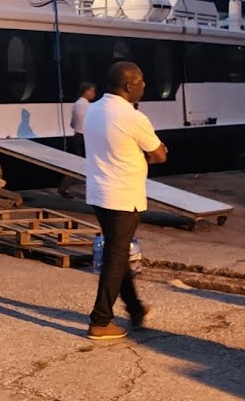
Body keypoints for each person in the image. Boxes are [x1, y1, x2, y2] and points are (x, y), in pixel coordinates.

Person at [84, 62, 168, 340]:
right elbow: (159, 154)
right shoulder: (132, 117)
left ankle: (135, 309)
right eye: (142, 81)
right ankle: (100, 320)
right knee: (115, 257)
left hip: (99, 193)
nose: (145, 86)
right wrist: (146, 155)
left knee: (117, 254)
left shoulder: (93, 110)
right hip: (123, 196)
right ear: (129, 86)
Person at [58, 82, 97, 198]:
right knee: (86, 165)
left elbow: (72, 123)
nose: (94, 94)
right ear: (87, 91)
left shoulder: (76, 104)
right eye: (93, 91)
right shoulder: (87, 106)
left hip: (77, 136)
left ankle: (64, 187)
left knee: (79, 164)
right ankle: (90, 191)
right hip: (85, 139)